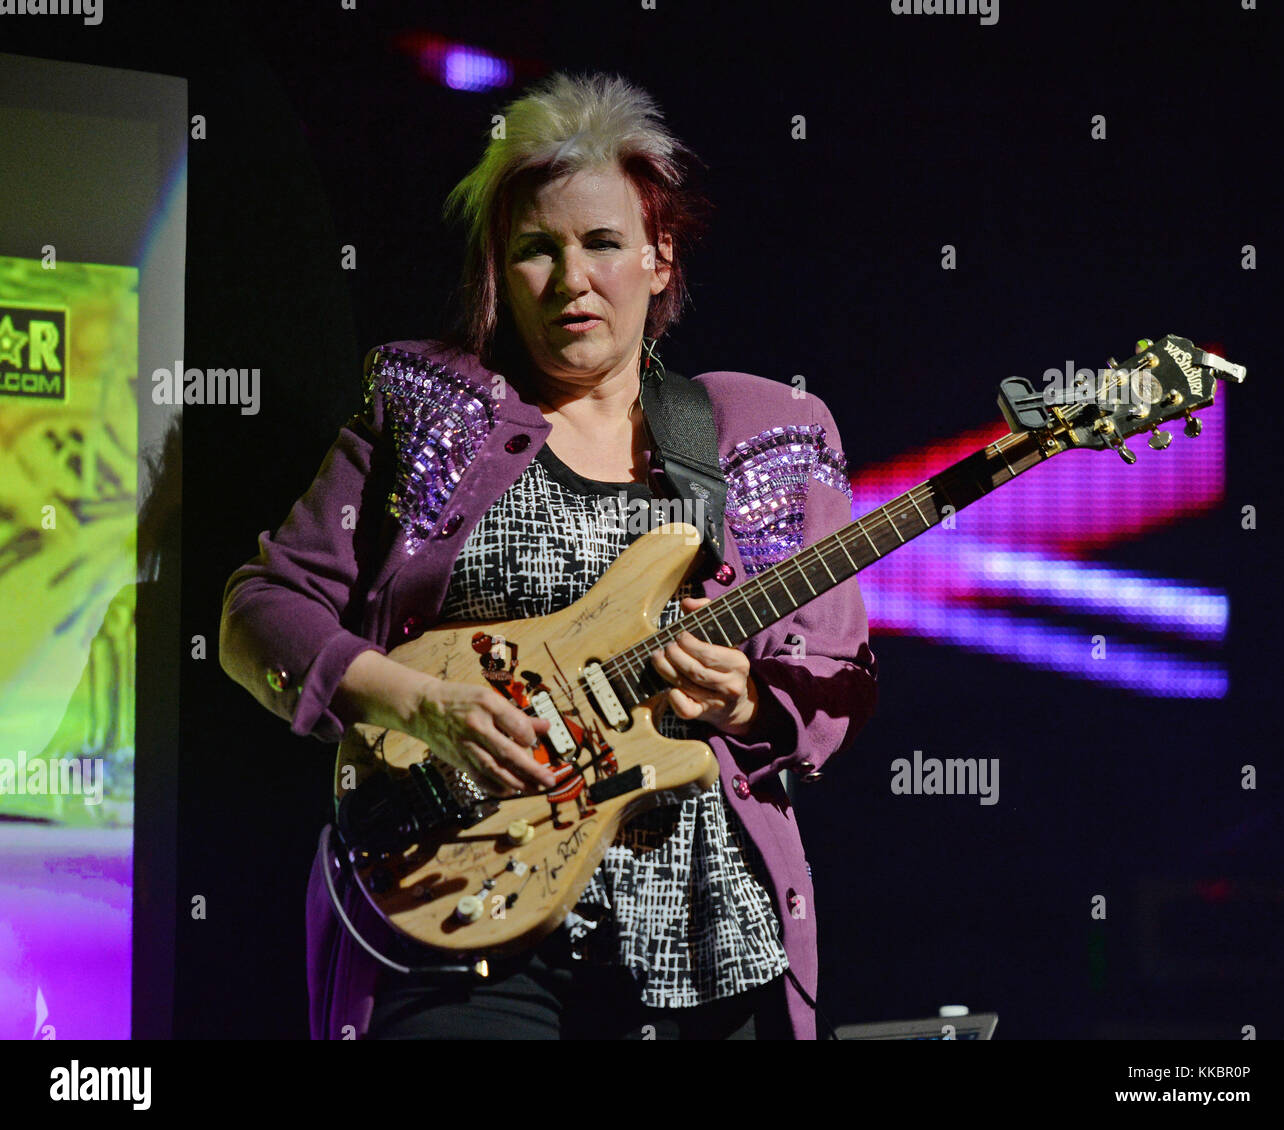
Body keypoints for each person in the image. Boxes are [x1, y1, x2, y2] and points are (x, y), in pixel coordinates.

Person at [219, 71, 877, 1040]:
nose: (571, 280)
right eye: (536, 248)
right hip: (460, 916)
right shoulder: (430, 406)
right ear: (499, 268)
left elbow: (836, 678)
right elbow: (260, 607)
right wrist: (419, 704)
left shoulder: (762, 428)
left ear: (657, 258)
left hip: (701, 933)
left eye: (603, 243)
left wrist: (739, 698)